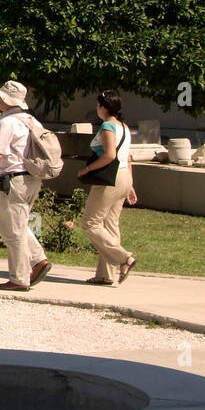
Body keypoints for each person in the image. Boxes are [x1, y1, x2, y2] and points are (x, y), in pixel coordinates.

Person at [0, 81, 53, 291]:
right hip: (32, 178)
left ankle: (19, 278)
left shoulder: (7, 123)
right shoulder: (31, 121)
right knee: (20, 223)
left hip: (14, 180)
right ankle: (38, 261)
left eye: (0, 97)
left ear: (7, 100)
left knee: (12, 231)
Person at [77, 89, 138, 285]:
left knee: (90, 223)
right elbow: (126, 157)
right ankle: (106, 275)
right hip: (124, 176)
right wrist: (131, 185)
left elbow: (110, 155)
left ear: (103, 107)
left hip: (109, 179)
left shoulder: (108, 126)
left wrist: (87, 170)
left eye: (98, 105)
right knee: (110, 225)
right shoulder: (124, 127)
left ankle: (124, 258)